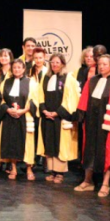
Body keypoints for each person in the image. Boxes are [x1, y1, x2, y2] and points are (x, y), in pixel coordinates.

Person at [75, 50, 110, 197]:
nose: (101, 67)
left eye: (105, 64)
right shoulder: (92, 80)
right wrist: (81, 118)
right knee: (89, 149)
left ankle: (105, 184)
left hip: (108, 124)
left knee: (108, 152)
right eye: (99, 64)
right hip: (92, 123)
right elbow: (84, 100)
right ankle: (88, 181)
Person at [38, 53, 79, 184]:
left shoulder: (68, 78)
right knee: (49, 143)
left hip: (59, 117)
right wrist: (44, 110)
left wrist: (57, 113)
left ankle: (60, 173)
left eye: (57, 62)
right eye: (52, 62)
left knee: (60, 144)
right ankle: (52, 171)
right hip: (47, 117)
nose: (55, 64)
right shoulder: (46, 77)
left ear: (62, 63)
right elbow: (40, 95)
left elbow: (71, 99)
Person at [0, 59, 38, 181]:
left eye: (19, 67)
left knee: (27, 143)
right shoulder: (6, 82)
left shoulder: (31, 82)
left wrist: (23, 111)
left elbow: (34, 100)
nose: (16, 69)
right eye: (14, 67)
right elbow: (0, 100)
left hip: (25, 117)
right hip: (9, 117)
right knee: (11, 142)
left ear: (24, 69)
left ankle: (29, 168)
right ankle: (13, 167)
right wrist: (8, 109)